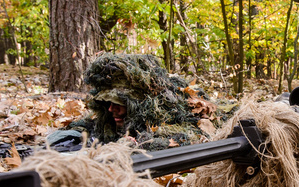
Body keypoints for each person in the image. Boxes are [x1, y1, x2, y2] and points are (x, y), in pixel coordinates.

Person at [47, 53, 222, 152]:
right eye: (107, 102)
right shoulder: (106, 120)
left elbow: (187, 138)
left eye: (119, 103)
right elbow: (86, 125)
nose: (111, 108)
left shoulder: (169, 114)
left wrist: (137, 145)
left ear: (137, 105)